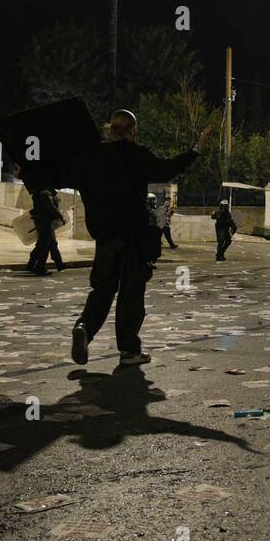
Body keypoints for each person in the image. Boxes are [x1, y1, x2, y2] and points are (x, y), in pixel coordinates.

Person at [58, 111, 211, 366]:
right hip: (133, 238)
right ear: (133, 130)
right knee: (131, 295)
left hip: (105, 237)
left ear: (110, 129)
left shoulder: (93, 158)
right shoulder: (137, 155)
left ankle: (84, 327)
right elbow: (167, 169)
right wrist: (196, 148)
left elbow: (60, 174)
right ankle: (129, 350)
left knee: (102, 290)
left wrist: (28, 172)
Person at [27, 187, 66, 274]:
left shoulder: (40, 191)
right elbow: (51, 207)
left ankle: (59, 264)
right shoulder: (45, 193)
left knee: (49, 244)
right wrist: (60, 217)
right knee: (44, 246)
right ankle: (40, 267)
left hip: (43, 221)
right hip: (45, 222)